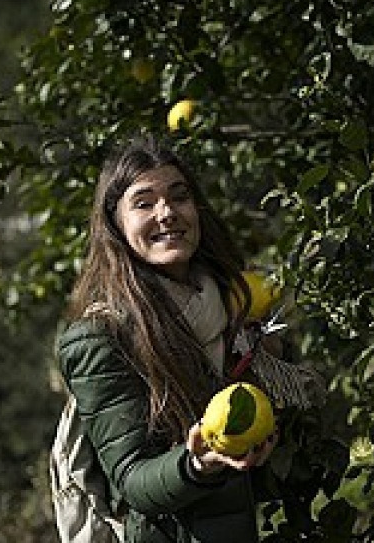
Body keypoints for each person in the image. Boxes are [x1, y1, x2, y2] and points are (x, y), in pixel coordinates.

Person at [55, 136, 277, 542]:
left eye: (179, 197)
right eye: (144, 203)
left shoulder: (232, 302)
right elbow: (131, 479)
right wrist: (195, 463)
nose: (167, 213)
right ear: (116, 224)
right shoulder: (100, 337)